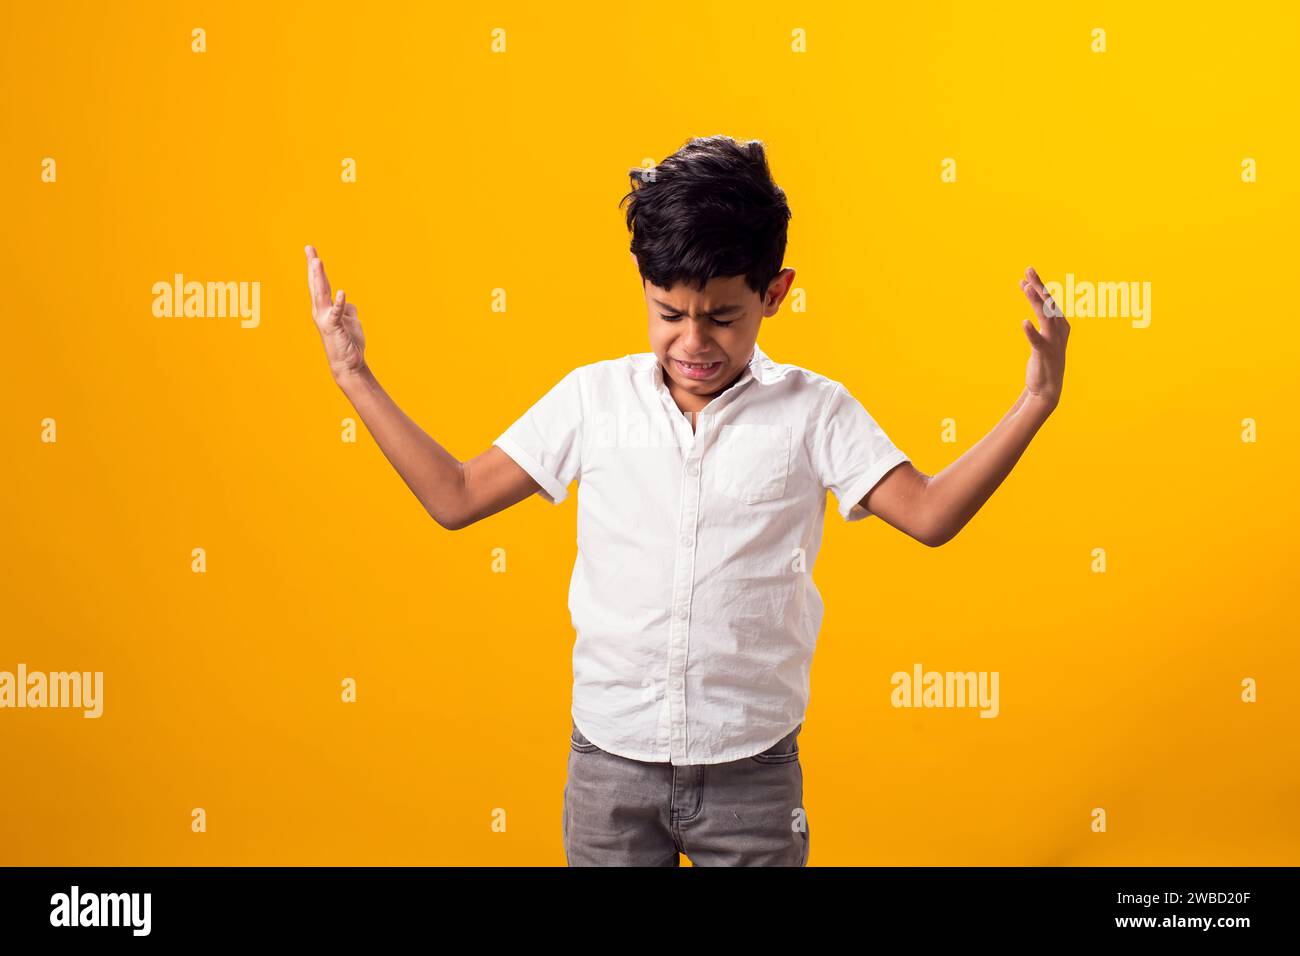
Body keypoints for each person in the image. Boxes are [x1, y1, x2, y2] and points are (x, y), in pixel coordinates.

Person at [302, 134, 1069, 866]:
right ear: (644, 288)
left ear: (775, 294)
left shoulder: (815, 412)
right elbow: (456, 495)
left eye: (723, 317)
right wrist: (354, 376)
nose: (693, 343)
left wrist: (1034, 400)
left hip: (752, 772)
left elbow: (931, 514)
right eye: (668, 315)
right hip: (609, 765)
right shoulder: (592, 401)